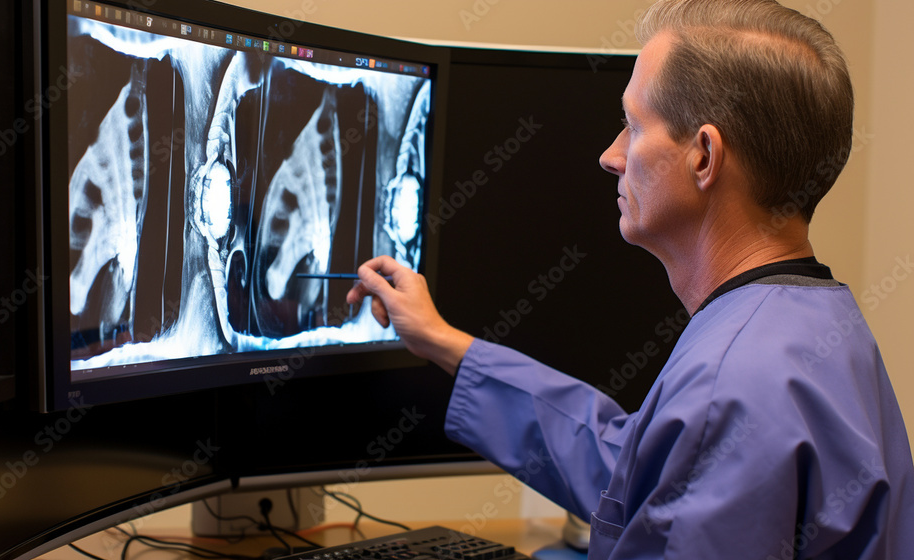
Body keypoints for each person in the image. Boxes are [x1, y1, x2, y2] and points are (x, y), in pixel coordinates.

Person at [345, 0, 914, 558]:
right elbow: (637, 478)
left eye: (632, 126)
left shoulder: (729, 385)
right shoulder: (821, 325)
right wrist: (443, 342)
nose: (610, 156)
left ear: (703, 157)